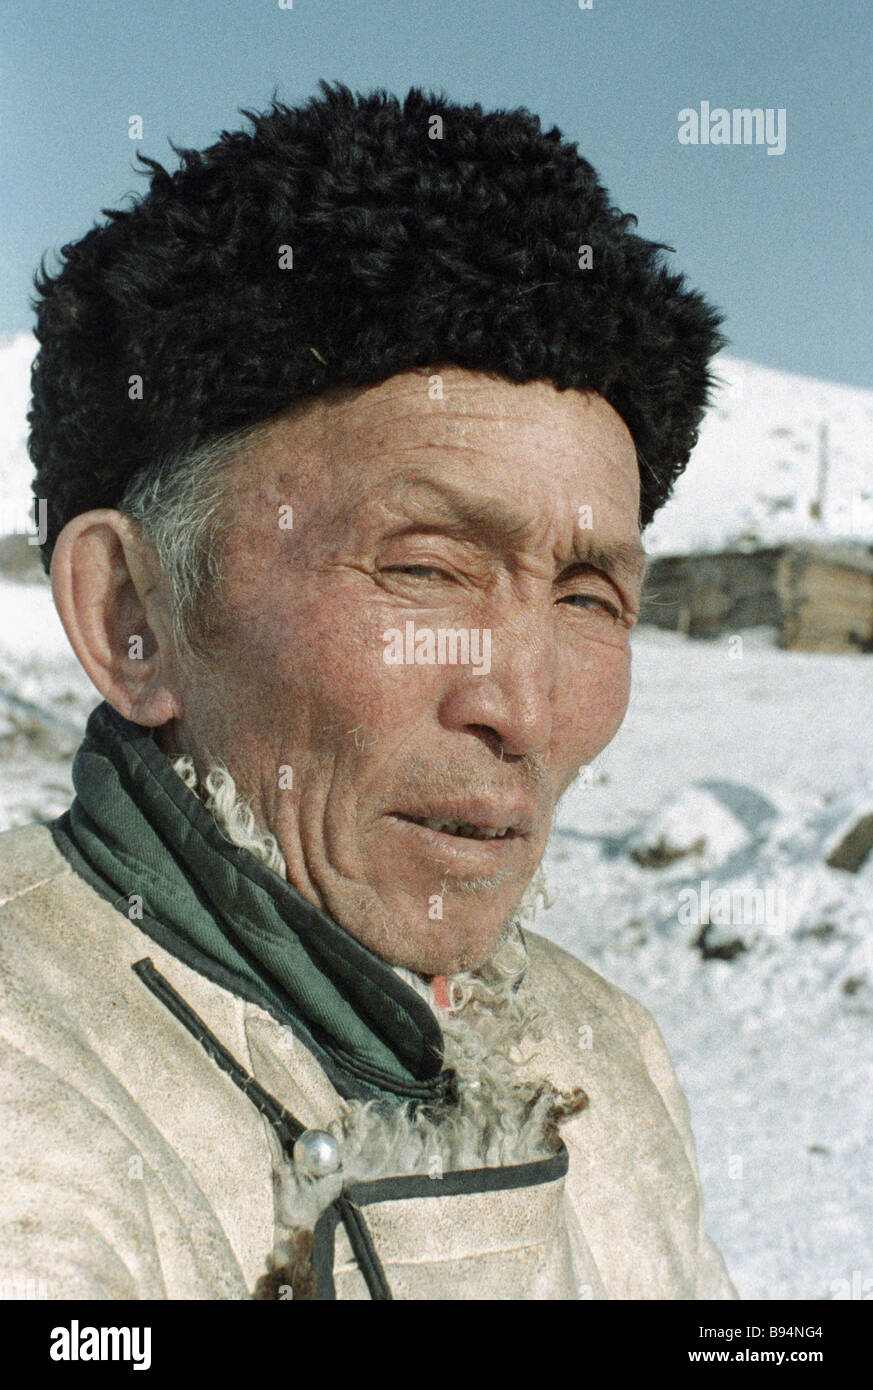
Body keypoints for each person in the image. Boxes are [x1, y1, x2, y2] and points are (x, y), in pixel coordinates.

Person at [0, 82, 736, 1299]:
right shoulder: (34, 1094)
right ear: (137, 619)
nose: (529, 711)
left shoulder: (609, 1059)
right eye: (428, 569)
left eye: (590, 596)